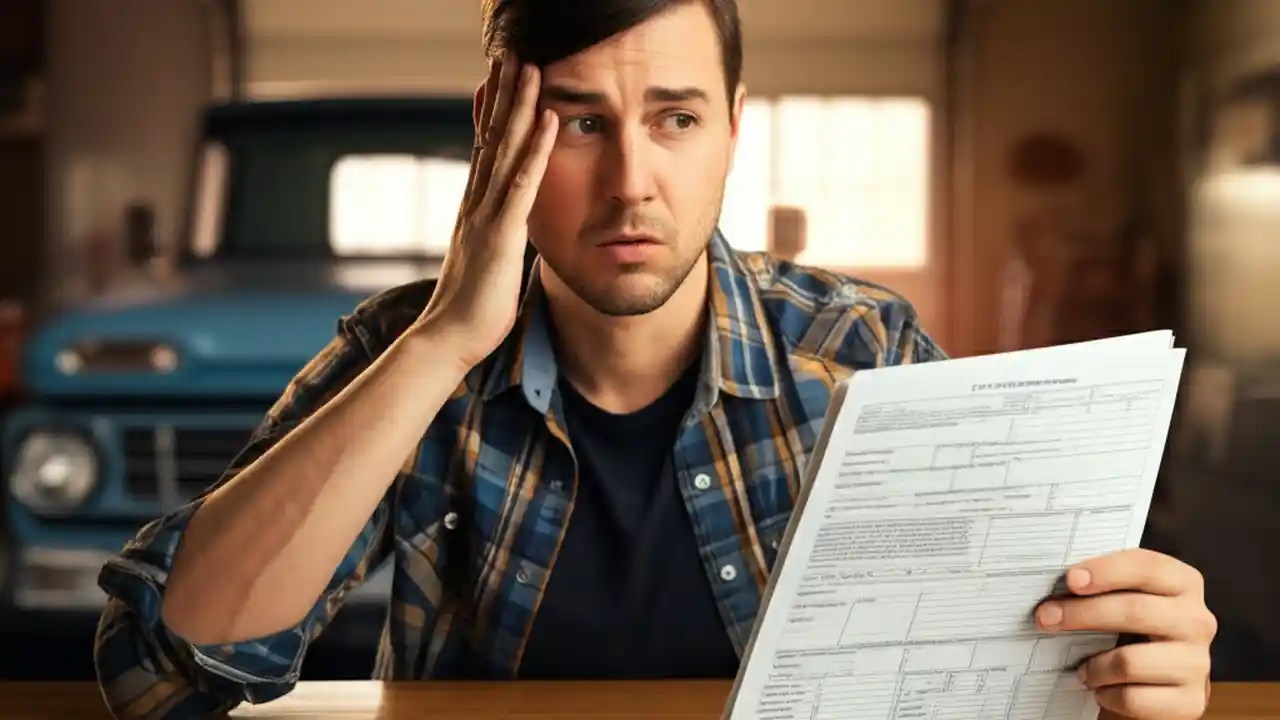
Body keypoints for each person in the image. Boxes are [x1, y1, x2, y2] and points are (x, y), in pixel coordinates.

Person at [93, 1, 1216, 718]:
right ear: (495, 133)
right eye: (579, 123)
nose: (632, 181)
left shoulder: (861, 349)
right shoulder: (406, 353)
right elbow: (159, 673)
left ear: (732, 127)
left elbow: (993, 673)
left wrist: (1129, 664)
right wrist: (444, 341)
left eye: (673, 120)